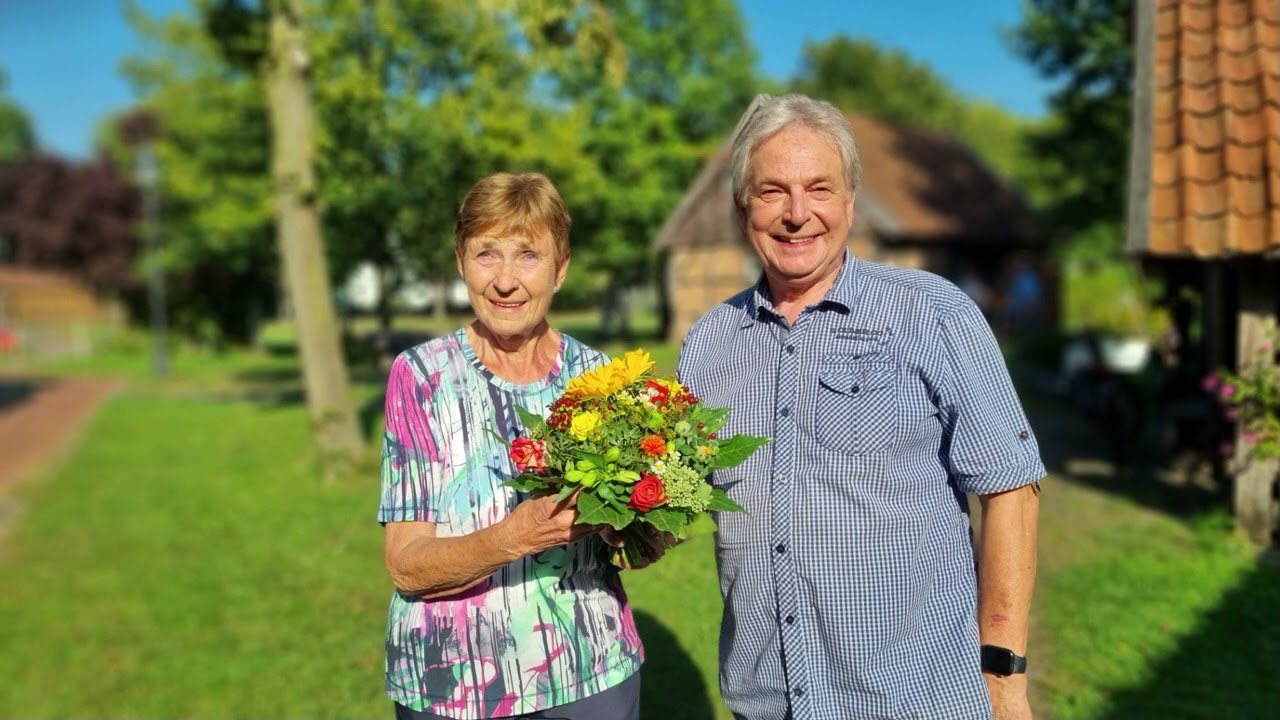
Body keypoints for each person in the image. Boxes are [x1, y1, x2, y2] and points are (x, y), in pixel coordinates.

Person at [677, 94, 1043, 720]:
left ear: (850, 199)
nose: (797, 214)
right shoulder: (708, 345)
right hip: (765, 703)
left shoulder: (933, 313)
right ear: (743, 208)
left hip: (912, 699)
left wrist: (1003, 675)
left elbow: (1010, 488)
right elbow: (684, 498)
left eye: (819, 188)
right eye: (772, 192)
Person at [378, 172, 645, 720]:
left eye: (527, 255)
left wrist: (643, 524)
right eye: (486, 254)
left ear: (560, 269)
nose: (504, 280)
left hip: (589, 670)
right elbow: (405, 566)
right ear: (460, 262)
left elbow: (624, 545)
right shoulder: (422, 376)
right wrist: (514, 536)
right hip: (452, 682)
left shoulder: (596, 377)